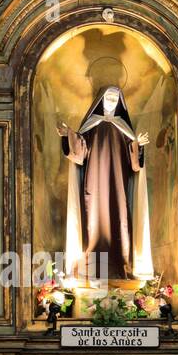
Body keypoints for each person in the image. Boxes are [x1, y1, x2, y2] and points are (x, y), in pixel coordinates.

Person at [58, 86, 153, 281]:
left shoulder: (124, 129)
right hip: (94, 184)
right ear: (101, 100)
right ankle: (92, 268)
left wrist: (138, 146)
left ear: (120, 102)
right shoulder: (92, 126)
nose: (111, 100)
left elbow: (134, 165)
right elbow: (80, 153)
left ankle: (120, 264)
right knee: (94, 221)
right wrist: (67, 135)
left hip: (117, 184)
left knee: (120, 220)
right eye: (108, 97)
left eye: (115, 98)